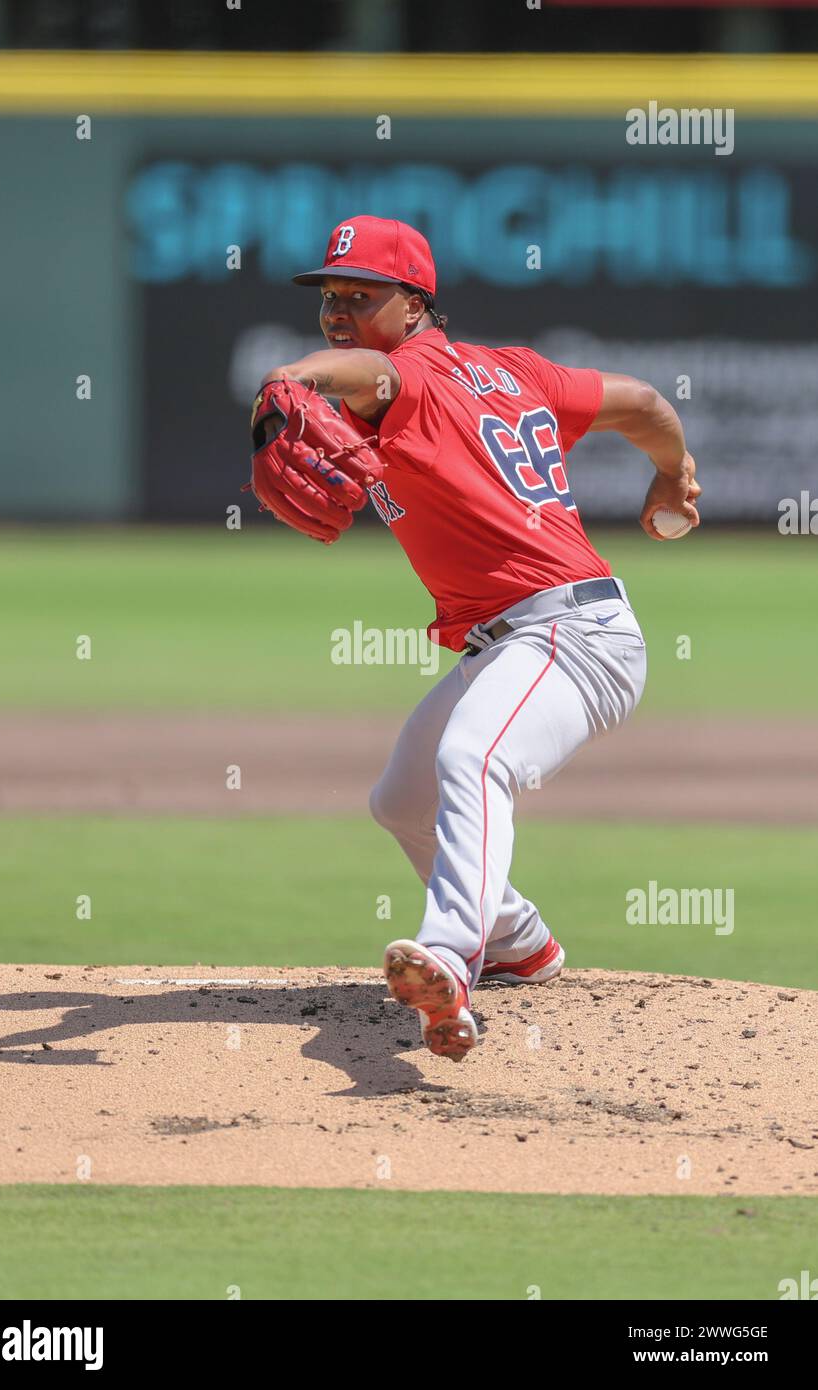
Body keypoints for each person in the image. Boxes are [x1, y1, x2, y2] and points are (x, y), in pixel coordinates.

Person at [259, 215, 701, 1061]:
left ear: (417, 303)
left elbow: (371, 376)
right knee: (403, 801)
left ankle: (452, 961)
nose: (340, 310)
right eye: (330, 298)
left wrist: (296, 373)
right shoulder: (517, 371)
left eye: (363, 294)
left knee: (474, 758)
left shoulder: (402, 381)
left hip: (574, 633)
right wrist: (672, 473)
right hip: (520, 641)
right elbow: (644, 403)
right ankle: (518, 942)